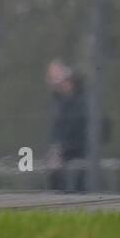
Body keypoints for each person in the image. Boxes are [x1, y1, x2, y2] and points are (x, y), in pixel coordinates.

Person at [45, 61, 88, 190]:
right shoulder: (59, 101)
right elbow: (57, 129)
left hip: (79, 154)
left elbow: (78, 130)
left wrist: (61, 150)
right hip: (62, 156)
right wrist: (54, 149)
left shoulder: (82, 101)